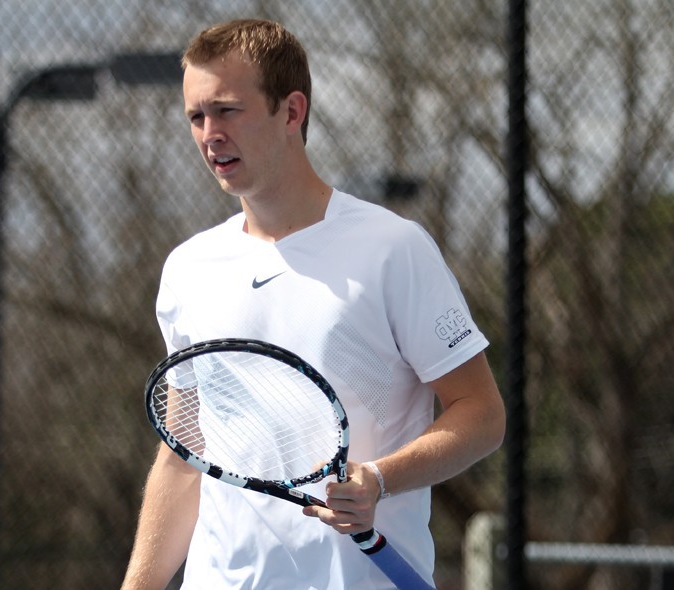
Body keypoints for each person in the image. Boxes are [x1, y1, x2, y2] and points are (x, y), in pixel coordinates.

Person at [121, 18, 505, 590]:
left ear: (291, 112)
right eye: (196, 117)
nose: (209, 134)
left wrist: (377, 479)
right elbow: (184, 457)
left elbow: (481, 414)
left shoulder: (393, 250)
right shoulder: (187, 270)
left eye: (228, 110)